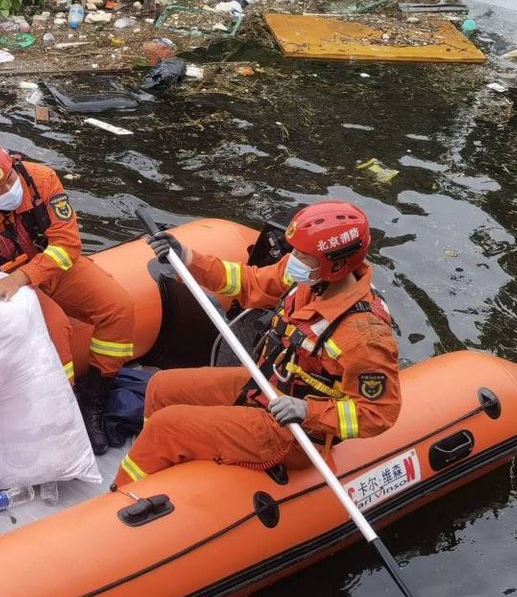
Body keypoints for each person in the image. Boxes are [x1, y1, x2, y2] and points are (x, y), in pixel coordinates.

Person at [113, 201, 401, 487]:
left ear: (336, 265)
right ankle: (161, 466)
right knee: (161, 387)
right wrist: (188, 257)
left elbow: (378, 413)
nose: (293, 258)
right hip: (267, 386)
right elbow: (250, 283)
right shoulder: (310, 275)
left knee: (168, 426)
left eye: (303, 254)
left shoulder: (364, 336)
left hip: (293, 430)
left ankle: (123, 498)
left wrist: (306, 411)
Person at [0, 138, 135, 454]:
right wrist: (17, 282)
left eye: (9, 179)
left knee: (119, 308)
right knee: (56, 329)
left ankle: (96, 399)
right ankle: (66, 406)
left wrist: (25, 275)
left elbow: (68, 244)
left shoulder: (41, 179)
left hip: (50, 267)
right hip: (12, 286)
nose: (8, 190)